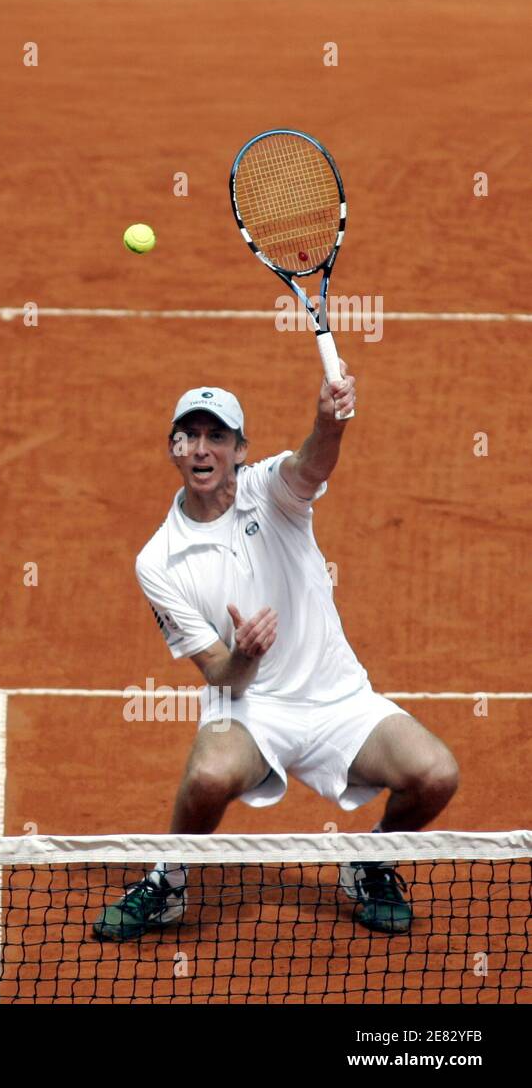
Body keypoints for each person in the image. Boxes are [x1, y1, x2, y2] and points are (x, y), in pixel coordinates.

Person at [95, 373, 458, 938]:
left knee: (436, 774)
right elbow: (219, 673)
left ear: (240, 450)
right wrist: (246, 655)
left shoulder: (270, 489)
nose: (201, 448)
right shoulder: (158, 562)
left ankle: (369, 862)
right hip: (252, 705)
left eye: (217, 436)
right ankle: (168, 882)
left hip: (337, 699)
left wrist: (329, 421)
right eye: (188, 435)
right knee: (208, 779)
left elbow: (312, 464)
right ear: (173, 449)